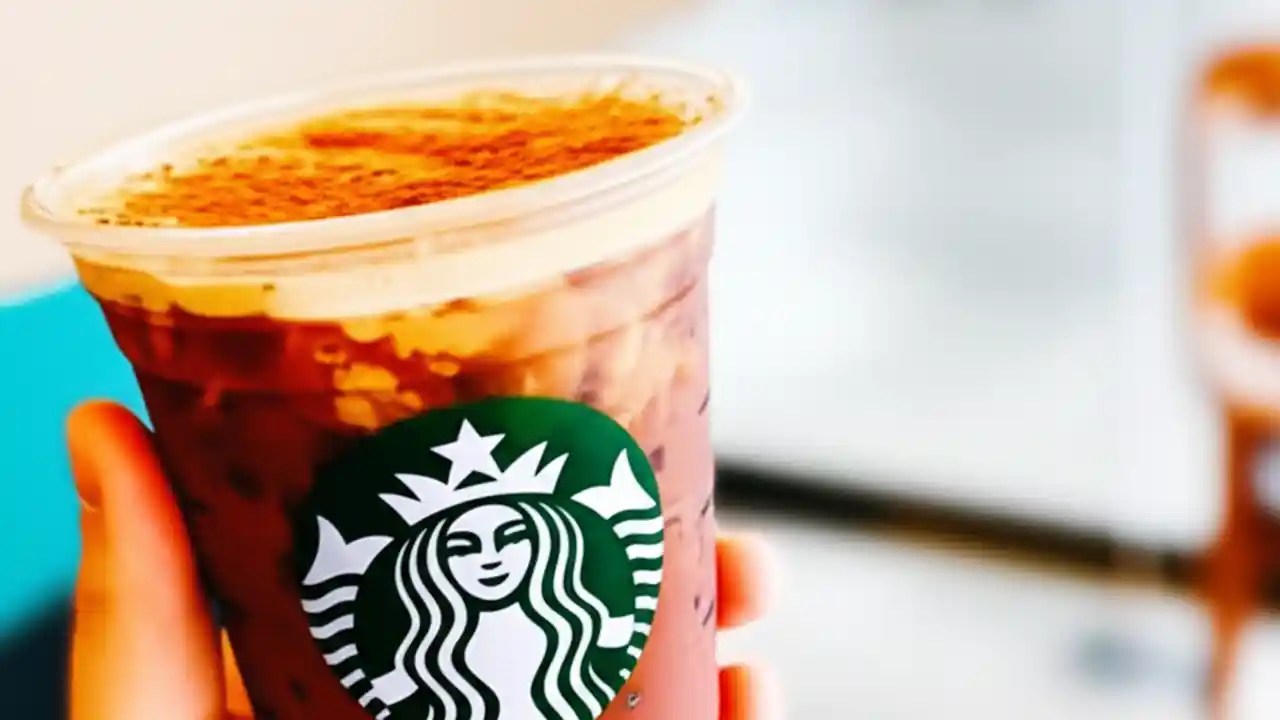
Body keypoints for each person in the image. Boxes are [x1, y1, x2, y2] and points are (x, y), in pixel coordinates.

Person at [66, 401, 772, 720]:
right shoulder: (421, 666)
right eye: (463, 544)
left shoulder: (577, 643)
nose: (489, 558)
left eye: (511, 538)